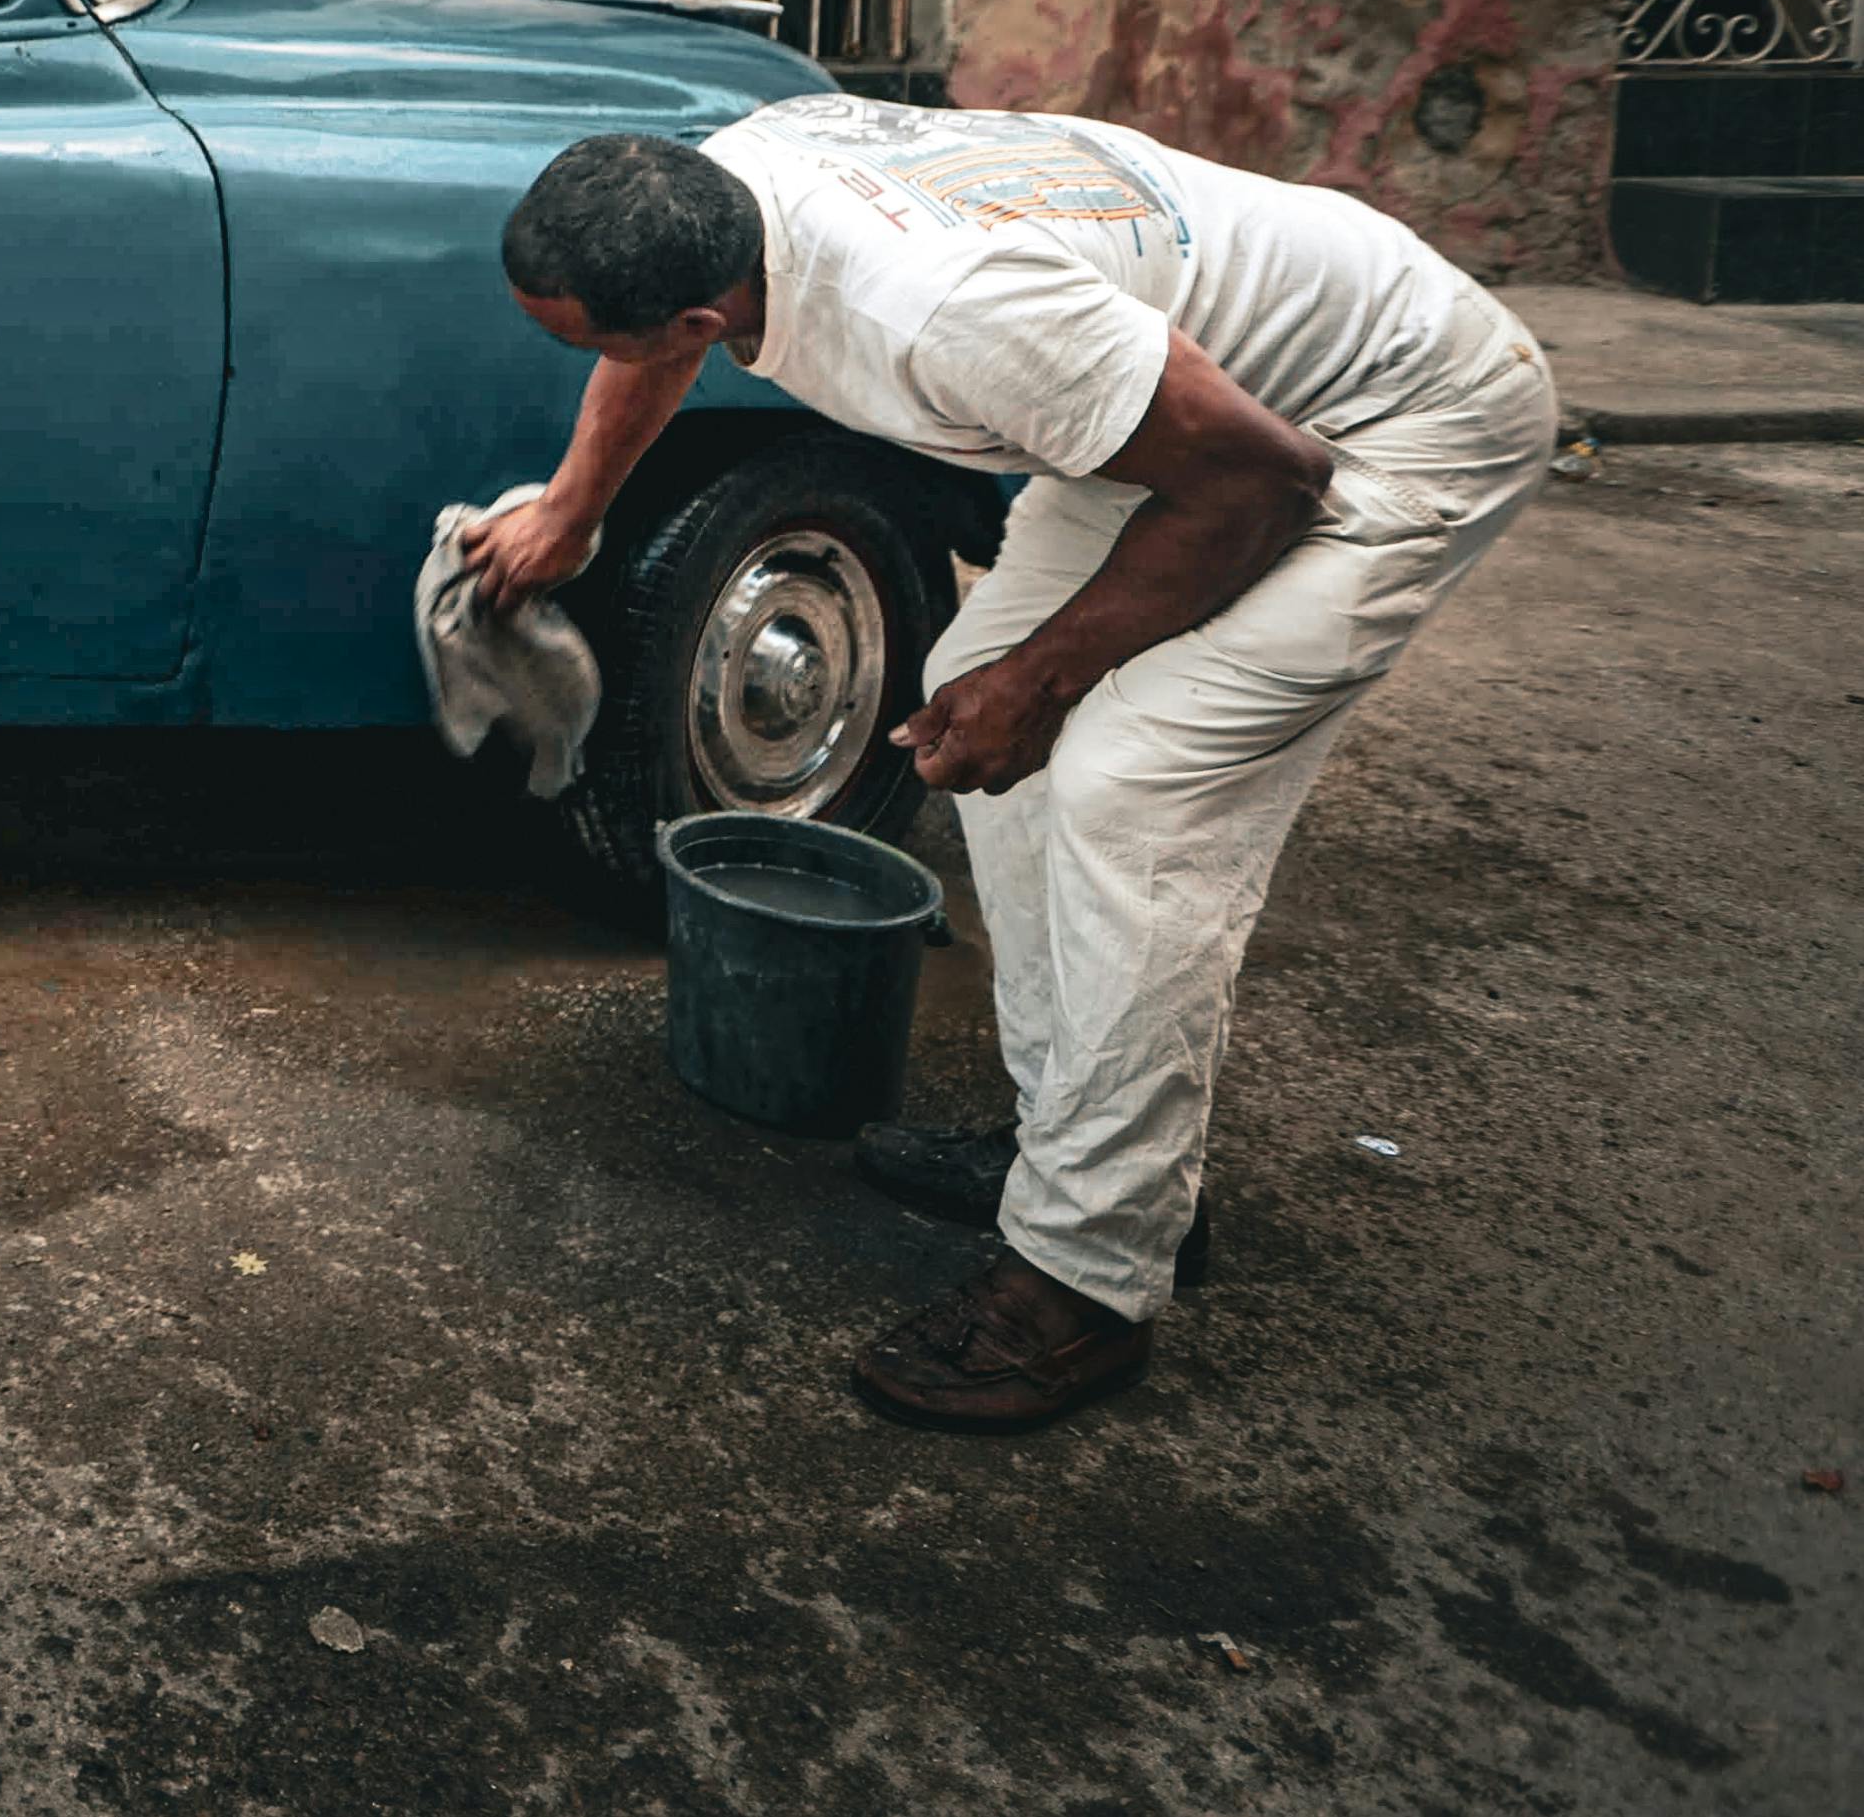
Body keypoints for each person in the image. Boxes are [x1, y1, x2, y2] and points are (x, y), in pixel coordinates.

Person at [465, 97, 1557, 1431]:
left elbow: (1263, 481)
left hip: (1384, 418)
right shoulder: (716, 192)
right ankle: (1079, 1151)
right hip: (1166, 408)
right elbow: (642, 352)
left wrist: (1041, 680)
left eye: (584, 336)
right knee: (961, 700)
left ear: (703, 313)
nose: (592, 356)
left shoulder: (935, 308)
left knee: (1129, 783)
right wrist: (569, 514)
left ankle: (1087, 1280)